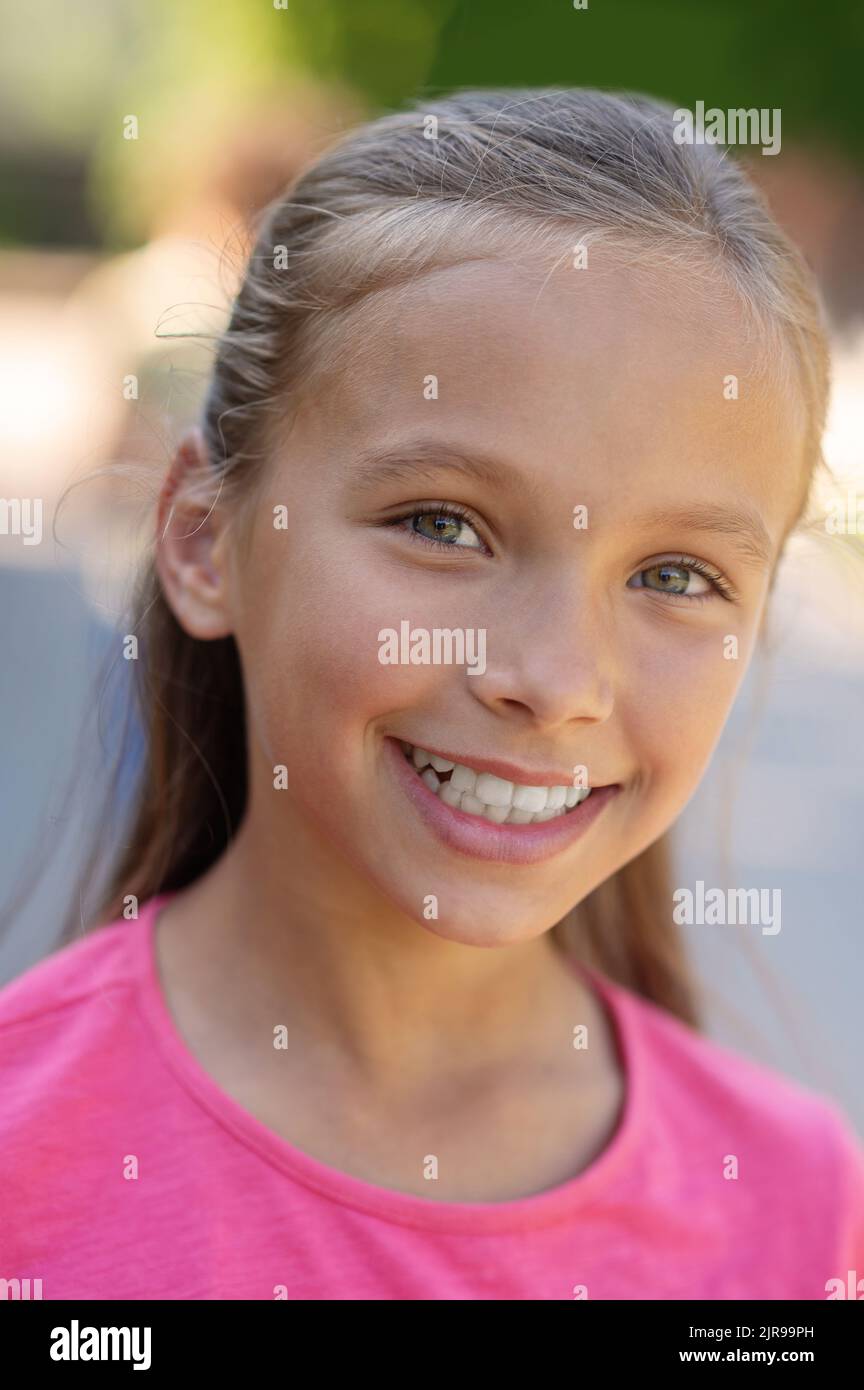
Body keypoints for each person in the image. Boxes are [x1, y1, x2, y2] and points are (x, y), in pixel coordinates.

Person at [2, 88, 862, 1301]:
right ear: (204, 541)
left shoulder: (795, 1215)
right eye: (443, 524)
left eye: (676, 574)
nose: (556, 679)